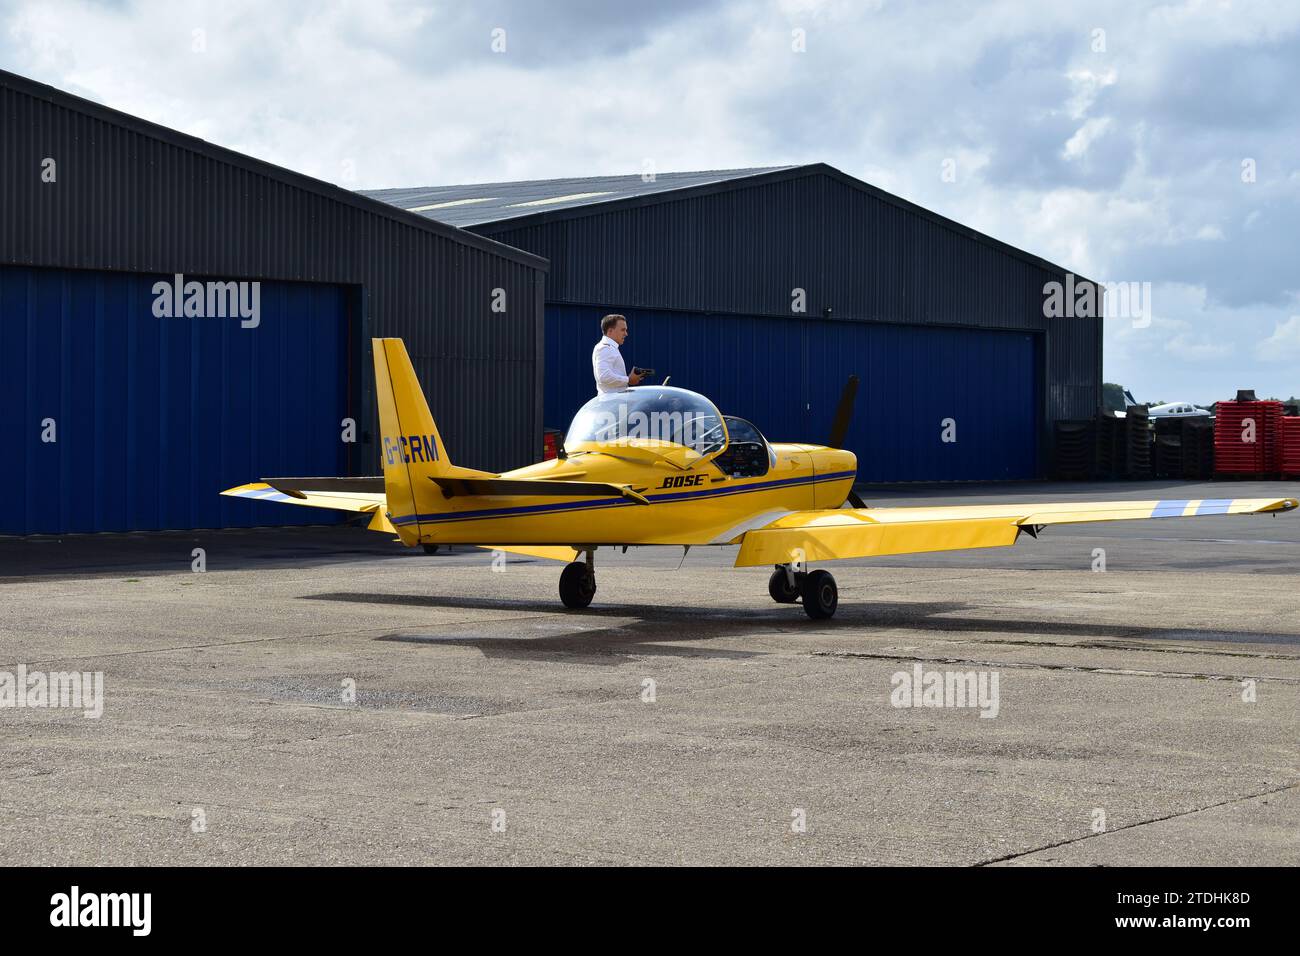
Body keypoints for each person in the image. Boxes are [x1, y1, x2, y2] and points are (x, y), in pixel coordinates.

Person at [592, 313, 643, 393]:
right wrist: (628, 379)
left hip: (615, 401)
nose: (626, 334)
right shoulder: (604, 348)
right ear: (610, 331)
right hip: (611, 402)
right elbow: (603, 376)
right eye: (623, 330)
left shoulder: (609, 348)